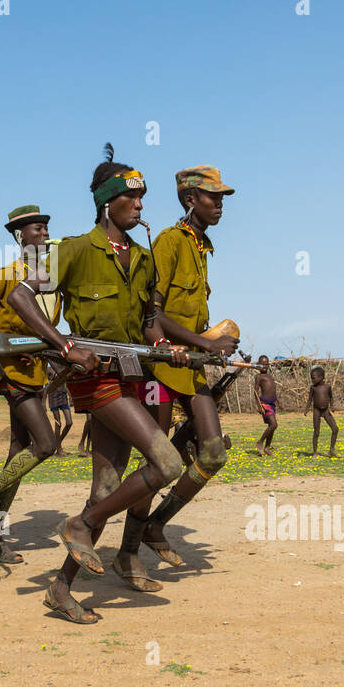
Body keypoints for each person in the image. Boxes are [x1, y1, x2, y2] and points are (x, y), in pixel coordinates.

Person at [7, 145, 191, 622]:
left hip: (132, 378)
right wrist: (65, 346)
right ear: (108, 201)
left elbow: (150, 322)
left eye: (143, 197)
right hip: (94, 380)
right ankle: (81, 524)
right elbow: (21, 295)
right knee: (167, 460)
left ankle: (61, 588)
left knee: (107, 487)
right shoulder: (70, 250)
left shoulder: (144, 259)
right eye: (133, 197)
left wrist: (167, 345)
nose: (141, 205)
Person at [138, 165, 238, 569]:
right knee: (157, 462)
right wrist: (204, 342)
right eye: (214, 197)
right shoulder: (169, 241)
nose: (220, 205)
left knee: (213, 453)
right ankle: (128, 553)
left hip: (190, 368)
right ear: (189, 199)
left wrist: (210, 342)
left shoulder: (201, 246)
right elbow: (153, 312)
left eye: (222, 199)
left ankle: (155, 525)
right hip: (161, 366)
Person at [0, 204, 61, 562]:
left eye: (46, 229)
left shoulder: (49, 279)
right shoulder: (5, 275)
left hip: (35, 370)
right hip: (10, 371)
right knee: (46, 444)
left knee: (18, 453)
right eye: (38, 229)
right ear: (21, 236)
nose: (46, 235)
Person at [303, 367, 339, 457]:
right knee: (316, 432)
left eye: (313, 378)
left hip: (326, 410)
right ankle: (315, 452)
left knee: (335, 429)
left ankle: (332, 450)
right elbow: (309, 399)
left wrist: (332, 406)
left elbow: (331, 397)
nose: (312, 380)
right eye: (311, 378)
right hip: (316, 410)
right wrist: (306, 409)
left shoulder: (327, 387)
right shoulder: (313, 388)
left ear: (321, 377)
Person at [253, 356, 278, 455]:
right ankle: (260, 442)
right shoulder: (259, 377)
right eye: (262, 364)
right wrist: (259, 405)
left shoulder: (270, 376)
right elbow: (255, 391)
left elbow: (272, 390)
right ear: (258, 364)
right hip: (265, 404)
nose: (264, 366)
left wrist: (278, 401)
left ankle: (267, 447)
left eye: (266, 364)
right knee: (274, 425)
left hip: (272, 404)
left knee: (271, 426)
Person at [48, 377, 73, 455]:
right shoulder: (48, 367)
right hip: (53, 396)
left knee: (69, 423)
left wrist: (70, 396)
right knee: (58, 423)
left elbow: (66, 381)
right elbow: (45, 384)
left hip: (63, 395)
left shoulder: (63, 366)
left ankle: (57, 444)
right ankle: (59, 449)